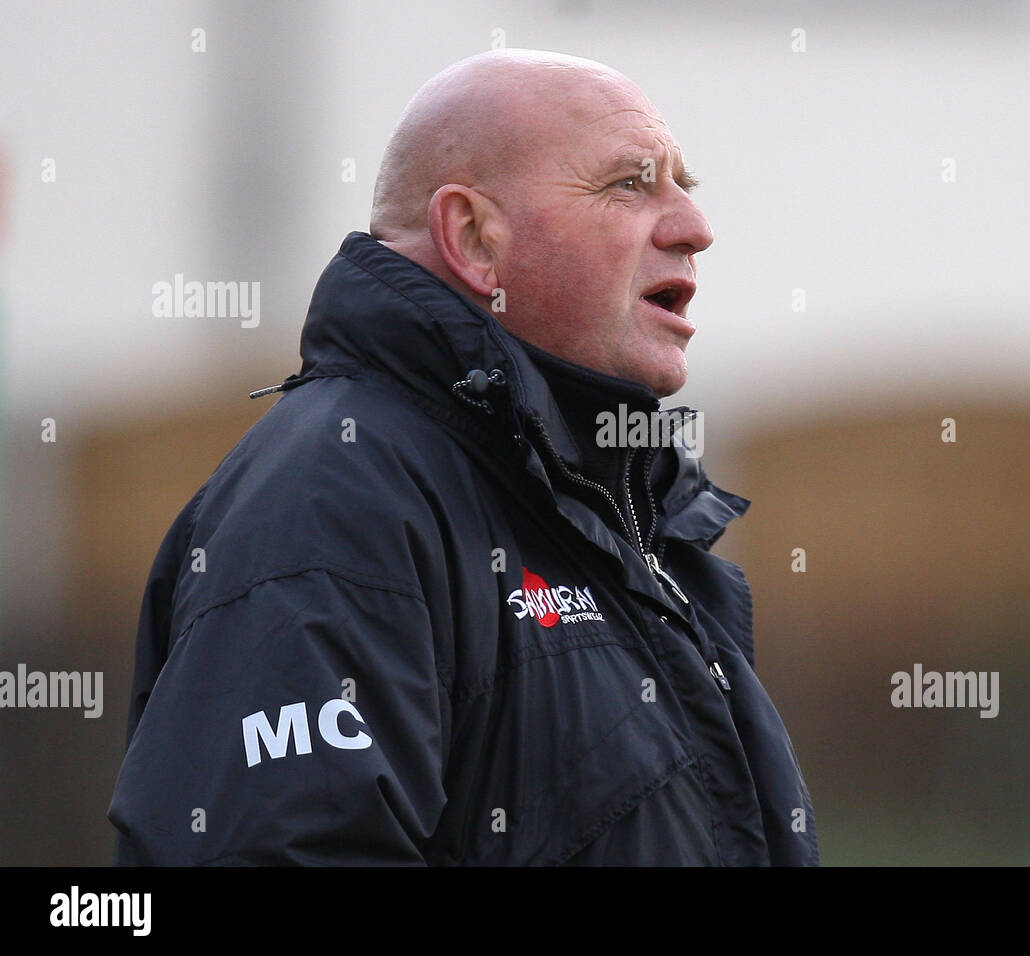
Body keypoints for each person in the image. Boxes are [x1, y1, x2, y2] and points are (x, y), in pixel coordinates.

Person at [108, 49, 819, 866]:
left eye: (682, 187)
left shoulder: (615, 510)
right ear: (474, 237)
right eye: (630, 184)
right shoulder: (333, 499)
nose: (694, 227)